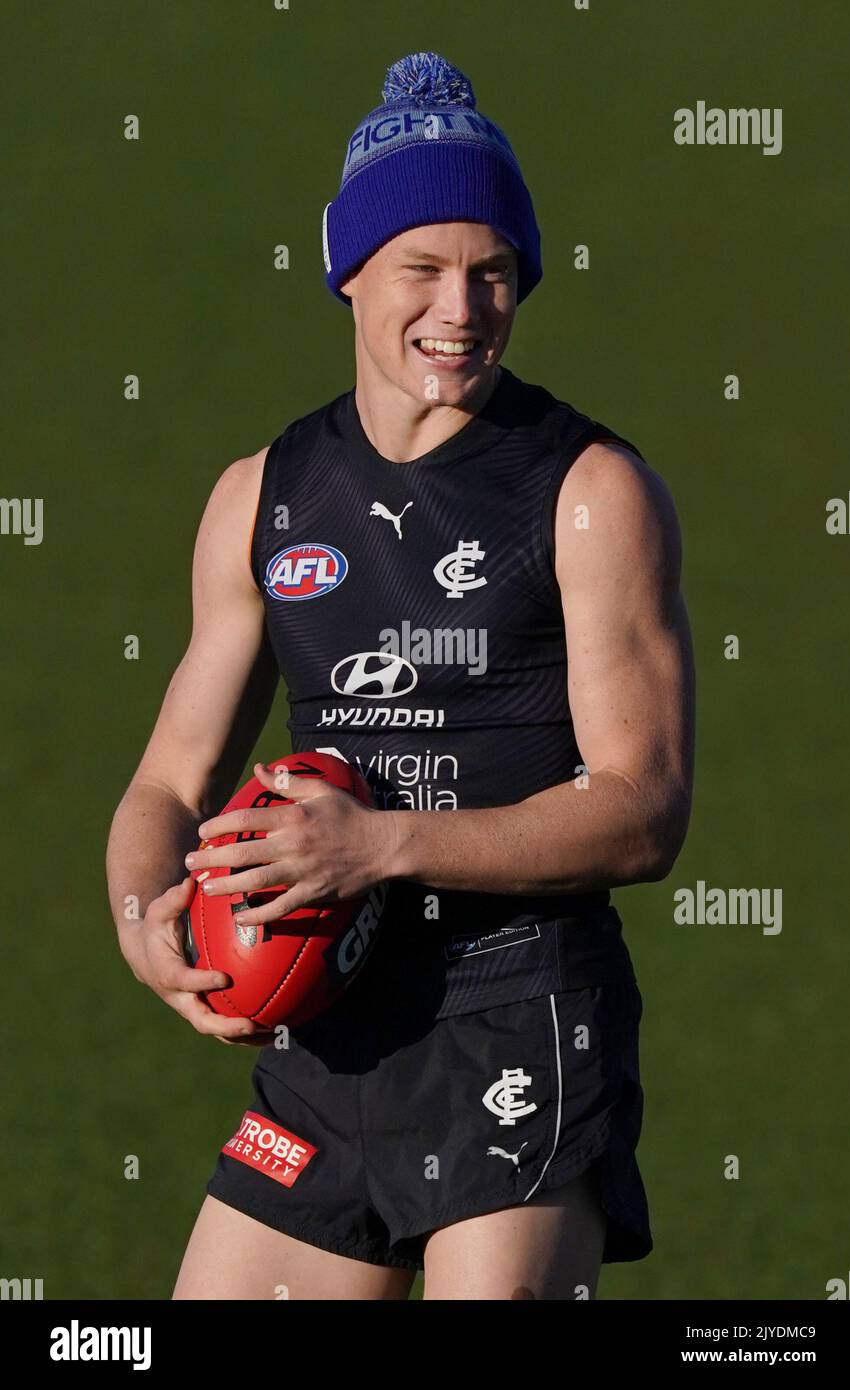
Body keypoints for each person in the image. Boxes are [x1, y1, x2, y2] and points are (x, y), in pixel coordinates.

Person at [107, 51, 694, 1301]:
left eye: (493, 273)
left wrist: (372, 845)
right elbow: (167, 779)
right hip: (329, 1020)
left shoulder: (590, 493)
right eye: (423, 268)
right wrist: (143, 920)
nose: (463, 307)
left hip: (517, 1006)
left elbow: (644, 809)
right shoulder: (259, 499)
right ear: (349, 273)